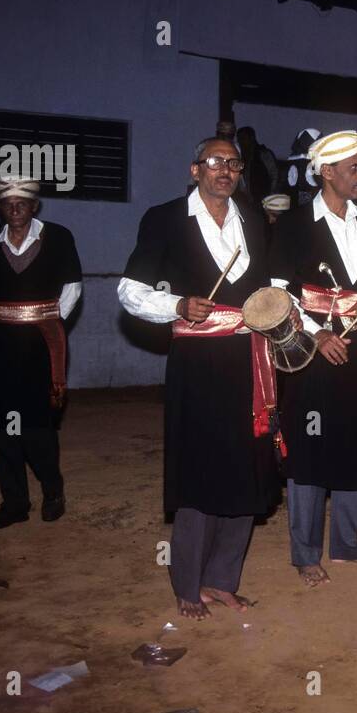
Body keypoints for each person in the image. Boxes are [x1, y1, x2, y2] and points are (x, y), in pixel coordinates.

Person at [118, 136, 282, 619]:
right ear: (195, 170)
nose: (225, 170)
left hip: (250, 356)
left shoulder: (251, 219)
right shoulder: (165, 218)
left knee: (247, 466)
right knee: (200, 467)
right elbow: (129, 290)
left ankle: (222, 579)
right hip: (197, 362)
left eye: (233, 163)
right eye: (215, 162)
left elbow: (268, 286)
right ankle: (187, 582)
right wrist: (177, 305)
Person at [268, 130, 357, 587]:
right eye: (354, 168)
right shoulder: (293, 225)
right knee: (309, 448)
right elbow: (278, 292)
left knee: (353, 440)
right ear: (326, 172)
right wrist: (314, 335)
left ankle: (346, 545)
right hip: (311, 355)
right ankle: (305, 553)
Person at [0, 178, 82, 529]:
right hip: (1, 343)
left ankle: (53, 492)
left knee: (37, 423)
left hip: (41, 342)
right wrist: (13, 318)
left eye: (23, 203)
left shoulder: (59, 237)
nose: (15, 209)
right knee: (1, 426)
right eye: (8, 204)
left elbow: (72, 286)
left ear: (35, 206)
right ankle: (14, 503)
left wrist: (48, 319)